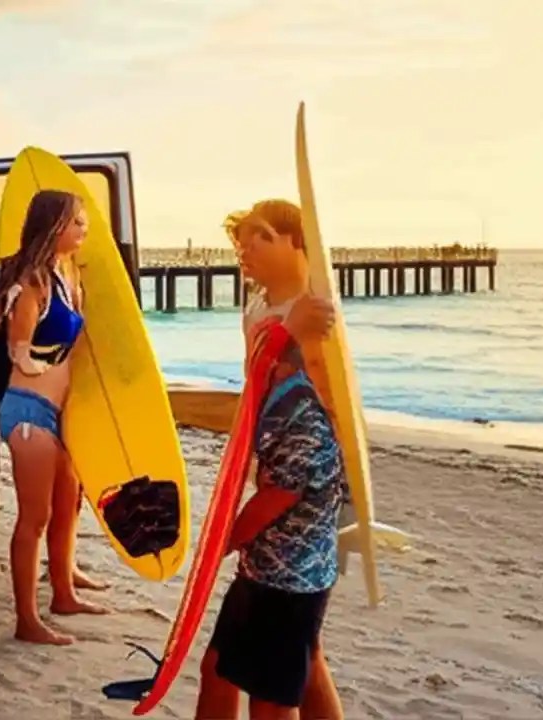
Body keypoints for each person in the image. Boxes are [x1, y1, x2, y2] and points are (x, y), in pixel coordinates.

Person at [193, 199, 348, 720]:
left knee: (270, 686)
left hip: (295, 517)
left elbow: (319, 416)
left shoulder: (317, 310)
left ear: (295, 241)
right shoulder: (259, 304)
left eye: (260, 236)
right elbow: (259, 389)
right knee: (296, 660)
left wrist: (230, 532)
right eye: (241, 238)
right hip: (279, 490)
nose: (244, 247)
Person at [0, 189, 110, 646]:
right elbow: (18, 351)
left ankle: (63, 593)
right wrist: (34, 358)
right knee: (34, 518)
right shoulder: (32, 282)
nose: (85, 230)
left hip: (64, 412)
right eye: (77, 222)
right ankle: (28, 620)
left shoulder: (66, 273)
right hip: (30, 412)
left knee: (68, 507)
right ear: (54, 225)